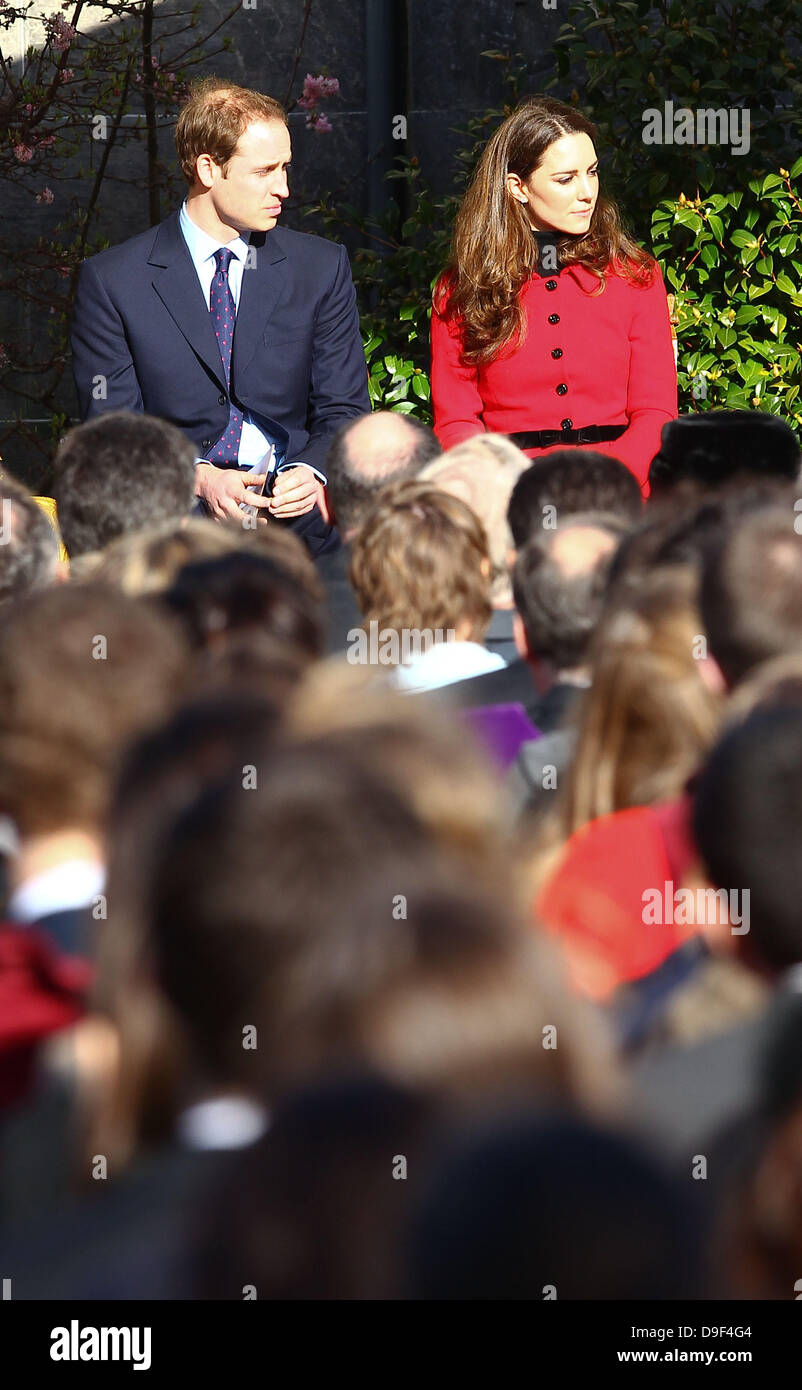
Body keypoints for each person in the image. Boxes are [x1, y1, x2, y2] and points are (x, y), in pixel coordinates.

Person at [70, 78, 369, 554]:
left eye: (285, 167)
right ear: (209, 169)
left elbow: (344, 409)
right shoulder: (113, 282)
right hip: (173, 525)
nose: (284, 189)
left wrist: (310, 472)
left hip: (300, 525)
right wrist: (201, 480)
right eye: (265, 171)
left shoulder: (320, 267)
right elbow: (114, 434)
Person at [430, 96, 677, 494]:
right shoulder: (461, 289)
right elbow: (456, 424)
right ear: (518, 187)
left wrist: (600, 486)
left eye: (592, 173)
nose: (587, 192)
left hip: (621, 497)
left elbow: (656, 413)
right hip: (509, 500)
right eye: (565, 179)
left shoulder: (636, 276)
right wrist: (517, 493)